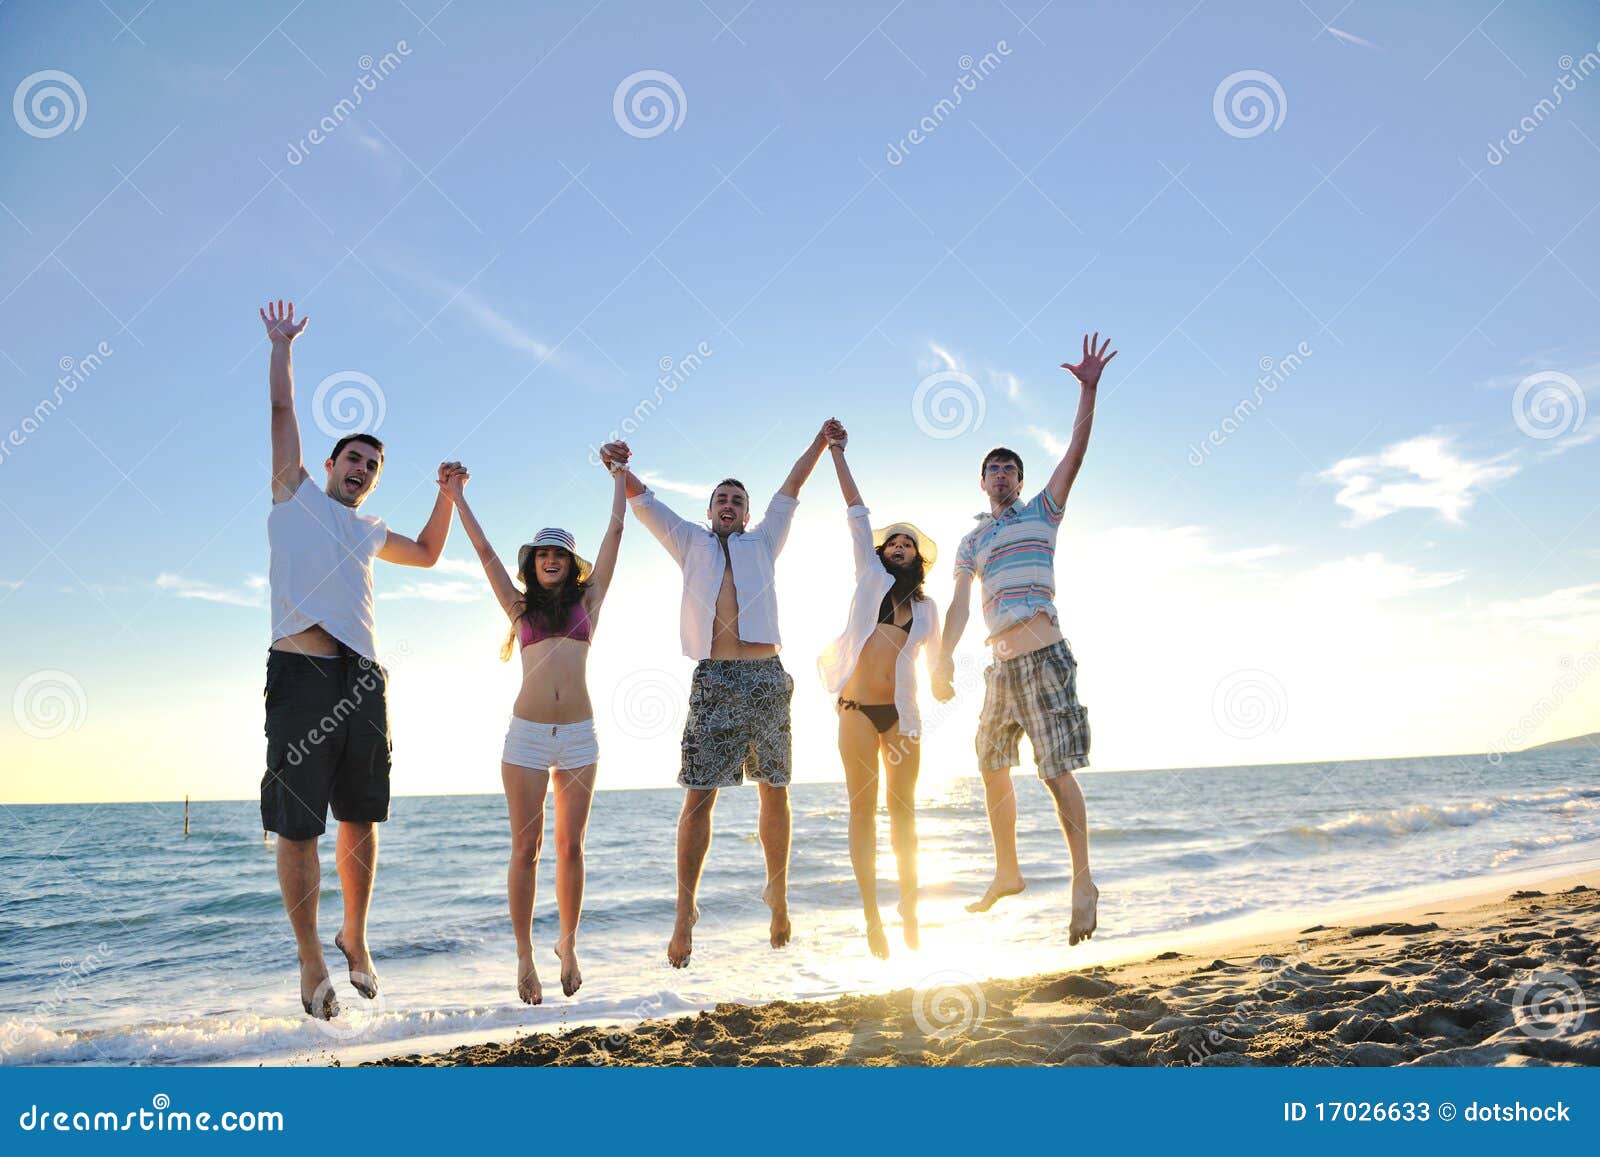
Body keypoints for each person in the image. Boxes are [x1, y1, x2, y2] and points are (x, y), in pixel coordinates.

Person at [259, 300, 462, 1019]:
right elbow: (283, 406)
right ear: (329, 464)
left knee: (362, 818)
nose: (363, 470)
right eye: (354, 458)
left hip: (363, 682)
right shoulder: (294, 496)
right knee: (298, 826)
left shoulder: (372, 528)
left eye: (373, 466)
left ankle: (354, 935)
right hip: (300, 673)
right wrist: (283, 345)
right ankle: (311, 958)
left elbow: (433, 553)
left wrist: (446, 495)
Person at [598, 422, 838, 968]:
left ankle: (777, 891)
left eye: (737, 500)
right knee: (698, 794)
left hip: (766, 676)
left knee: (774, 787)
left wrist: (820, 444)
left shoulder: (764, 541)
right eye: (721, 500)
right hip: (715, 680)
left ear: (747, 514)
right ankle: (686, 910)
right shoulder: (690, 540)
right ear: (710, 512)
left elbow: (792, 488)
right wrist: (616, 466)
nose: (729, 505)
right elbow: (644, 502)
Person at [932, 332, 1118, 946]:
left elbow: (1076, 455)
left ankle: (1082, 881)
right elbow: (958, 606)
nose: (1004, 474)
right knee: (989, 760)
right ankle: (1007, 871)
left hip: (1042, 654)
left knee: (1055, 769)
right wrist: (941, 661)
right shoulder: (971, 540)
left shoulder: (1044, 510)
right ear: (982, 480)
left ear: (1021, 479)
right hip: (998, 667)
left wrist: (1088, 389)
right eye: (995, 468)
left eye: (1012, 468)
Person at [442, 450, 627, 1004]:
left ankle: (567, 944)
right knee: (526, 849)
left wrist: (619, 478)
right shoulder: (518, 609)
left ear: (572, 565)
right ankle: (525, 956)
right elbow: (482, 551)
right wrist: (457, 497)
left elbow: (617, 533)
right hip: (524, 736)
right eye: (543, 553)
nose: (551, 560)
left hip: (578, 735)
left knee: (571, 847)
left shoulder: (590, 603)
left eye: (560, 554)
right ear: (534, 564)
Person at [816, 427, 941, 958]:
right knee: (861, 811)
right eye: (892, 541)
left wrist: (947, 675)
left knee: (904, 811)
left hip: (903, 717)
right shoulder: (868, 576)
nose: (897, 546)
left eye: (906, 542)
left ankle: (909, 905)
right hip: (855, 709)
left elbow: (939, 659)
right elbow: (856, 512)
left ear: (917, 557)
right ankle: (872, 916)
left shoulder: (929, 610)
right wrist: (838, 454)